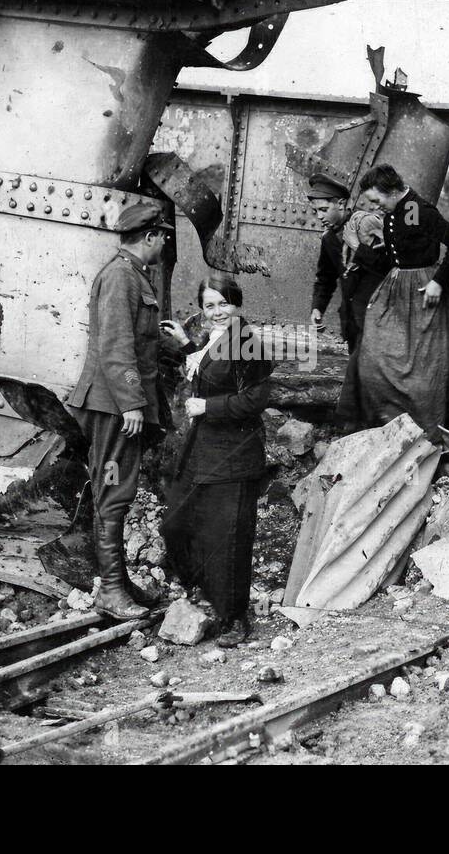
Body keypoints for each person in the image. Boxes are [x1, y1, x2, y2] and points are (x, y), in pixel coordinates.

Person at [65, 203, 176, 620]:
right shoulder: (120, 277)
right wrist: (131, 403)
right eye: (163, 236)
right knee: (113, 492)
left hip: (116, 405)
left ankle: (118, 582)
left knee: (116, 491)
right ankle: (111, 590)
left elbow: (141, 341)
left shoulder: (131, 275)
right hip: (113, 408)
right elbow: (115, 345)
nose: (165, 243)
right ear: (149, 237)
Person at [159, 274, 275, 647]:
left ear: (236, 303)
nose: (218, 311)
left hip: (234, 453)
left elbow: (257, 399)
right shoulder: (218, 339)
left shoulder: (246, 341)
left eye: (224, 302)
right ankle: (204, 590)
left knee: (230, 538)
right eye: (210, 305)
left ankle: (234, 619)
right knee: (176, 522)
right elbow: (213, 373)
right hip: (203, 448)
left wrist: (208, 406)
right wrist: (187, 344)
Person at [356, 164, 449, 445]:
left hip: (423, 294)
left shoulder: (417, 210)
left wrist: (439, 281)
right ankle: (392, 425)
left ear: (392, 191)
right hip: (397, 290)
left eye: (376, 200)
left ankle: (427, 436)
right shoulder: (394, 212)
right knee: (374, 357)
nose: (376, 207)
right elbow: (396, 253)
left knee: (424, 370)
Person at [306, 172, 390, 422]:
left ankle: (352, 422)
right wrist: (317, 307)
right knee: (363, 376)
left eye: (323, 210)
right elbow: (325, 277)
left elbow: (386, 266)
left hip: (379, 319)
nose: (319, 217)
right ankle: (364, 426)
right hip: (353, 321)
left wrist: (355, 245)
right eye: (316, 211)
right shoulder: (329, 239)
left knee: (365, 374)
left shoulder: (368, 225)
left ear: (341, 204)